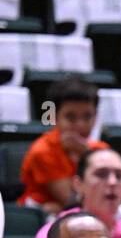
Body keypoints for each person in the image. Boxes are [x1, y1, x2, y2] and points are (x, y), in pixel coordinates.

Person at [17, 78, 108, 215]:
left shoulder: (101, 150)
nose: (80, 125)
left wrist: (88, 154)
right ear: (54, 117)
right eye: (71, 117)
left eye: (87, 117)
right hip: (40, 221)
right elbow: (70, 202)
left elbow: (117, 198)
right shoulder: (43, 151)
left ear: (96, 117)